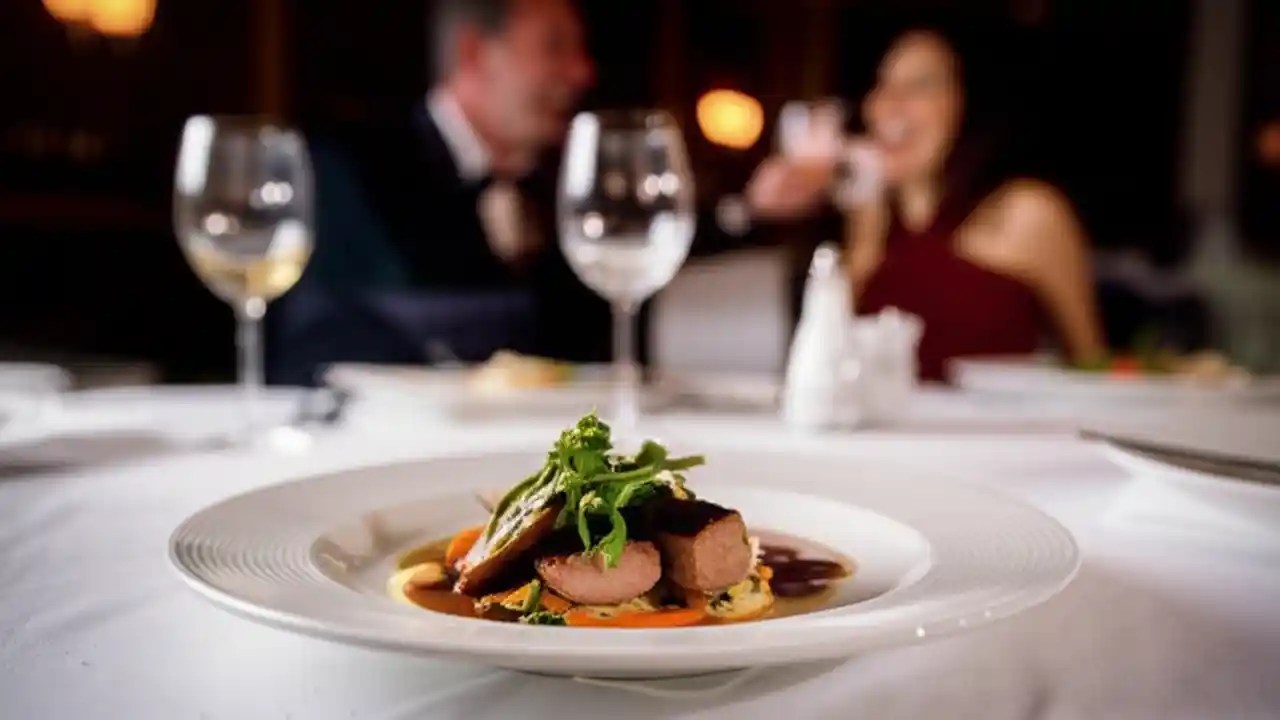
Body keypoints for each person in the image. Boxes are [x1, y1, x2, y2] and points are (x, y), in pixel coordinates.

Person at [271, 0, 606, 384]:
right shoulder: (346, 172)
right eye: (554, 47)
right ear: (474, 53)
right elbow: (323, 343)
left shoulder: (570, 189)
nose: (582, 73)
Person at [748, 28, 1105, 381]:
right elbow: (824, 372)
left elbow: (1092, 365)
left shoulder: (1027, 213)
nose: (891, 104)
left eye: (920, 86)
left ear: (964, 104)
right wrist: (864, 237)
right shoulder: (859, 220)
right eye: (883, 85)